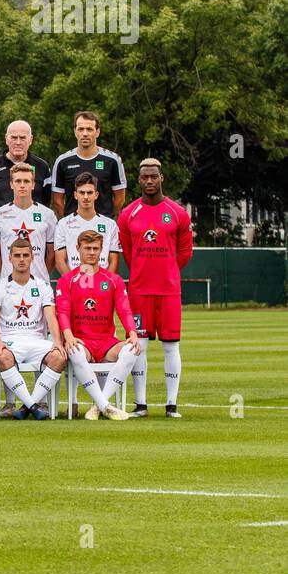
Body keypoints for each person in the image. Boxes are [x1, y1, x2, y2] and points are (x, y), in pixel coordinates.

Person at [117, 158, 193, 419]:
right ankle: (141, 405)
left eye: (154, 177)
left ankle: (171, 405)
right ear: (138, 180)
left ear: (162, 178)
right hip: (139, 291)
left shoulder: (177, 213)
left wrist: (167, 271)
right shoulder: (128, 214)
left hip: (169, 291)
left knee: (171, 346)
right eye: (144, 177)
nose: (149, 181)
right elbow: (128, 252)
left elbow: (184, 253)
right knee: (141, 346)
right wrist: (143, 270)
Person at [55, 230, 140, 421]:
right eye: (87, 248)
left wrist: (132, 332)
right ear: (77, 249)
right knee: (74, 350)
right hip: (81, 341)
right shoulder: (67, 280)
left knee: (132, 349)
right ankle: (105, 406)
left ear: (102, 250)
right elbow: (62, 312)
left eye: (95, 248)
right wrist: (68, 336)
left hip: (106, 342)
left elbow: (124, 310)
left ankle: (99, 405)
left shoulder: (113, 280)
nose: (92, 252)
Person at [0, 240, 68, 420]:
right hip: (10, 340)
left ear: (32, 257)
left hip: (36, 340)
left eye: (25, 255)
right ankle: (33, 406)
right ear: (9, 258)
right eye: (17, 255)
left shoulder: (42, 286)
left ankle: (26, 406)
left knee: (60, 357)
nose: (21, 259)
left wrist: (56, 342)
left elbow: (51, 317)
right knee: (2, 356)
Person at [51, 110, 127, 218]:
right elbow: (57, 200)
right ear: (75, 131)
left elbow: (120, 198)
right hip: (72, 227)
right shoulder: (62, 161)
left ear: (97, 132)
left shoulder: (112, 160)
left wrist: (106, 218)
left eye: (89, 129)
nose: (85, 134)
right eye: (81, 129)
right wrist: (68, 221)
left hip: (102, 226)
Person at [0, 162, 57, 281]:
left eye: (26, 181)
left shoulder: (48, 215)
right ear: (11, 184)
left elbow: (52, 254)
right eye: (18, 181)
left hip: (38, 284)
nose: (22, 185)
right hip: (8, 286)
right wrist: (6, 277)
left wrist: (41, 275)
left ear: (33, 184)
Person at [54, 172, 122, 275]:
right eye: (82, 192)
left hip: (101, 285)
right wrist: (73, 283)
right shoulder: (63, 224)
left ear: (96, 195)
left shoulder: (110, 225)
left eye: (89, 192)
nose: (86, 197)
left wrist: (104, 284)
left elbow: (114, 261)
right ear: (75, 195)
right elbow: (60, 261)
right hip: (74, 283)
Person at [0, 120, 52, 211]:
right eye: (13, 137)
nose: (18, 142)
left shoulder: (42, 167)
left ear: (31, 140)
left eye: (22, 138)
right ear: (6, 139)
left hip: (32, 224)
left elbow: (46, 202)